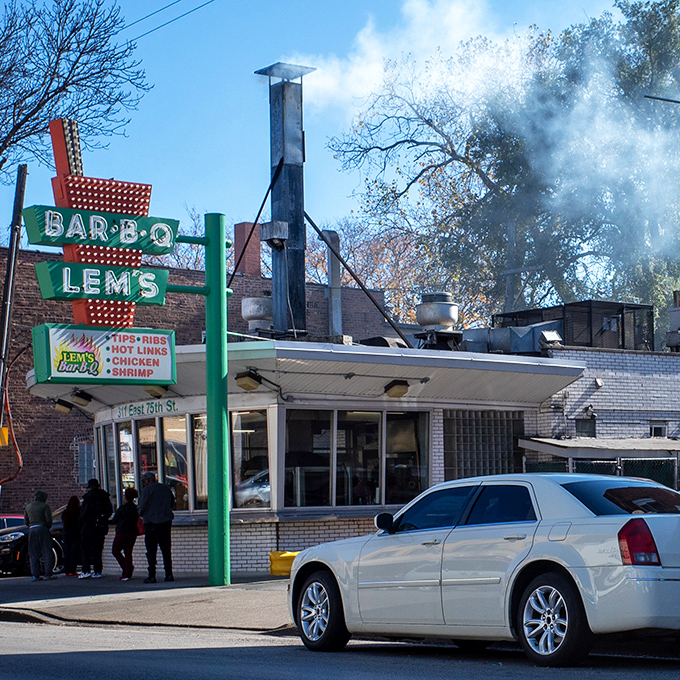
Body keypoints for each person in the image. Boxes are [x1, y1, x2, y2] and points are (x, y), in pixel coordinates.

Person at [138, 471, 175, 583]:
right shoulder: (165, 489)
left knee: (151, 551)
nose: (144, 483)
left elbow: (142, 507)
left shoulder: (146, 491)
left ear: (148, 480)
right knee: (166, 550)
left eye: (144, 481)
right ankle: (169, 574)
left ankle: (152, 575)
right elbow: (172, 503)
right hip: (165, 522)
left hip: (151, 523)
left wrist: (141, 513)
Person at [79, 478, 112, 579]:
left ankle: (86, 570)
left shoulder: (88, 498)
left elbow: (83, 514)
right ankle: (98, 571)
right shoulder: (104, 496)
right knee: (98, 549)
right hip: (101, 526)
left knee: (86, 549)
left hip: (89, 526)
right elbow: (109, 511)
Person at [23, 490, 55, 581]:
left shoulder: (28, 507)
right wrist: (47, 527)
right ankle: (48, 574)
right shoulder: (45, 506)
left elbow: (26, 521)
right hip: (43, 528)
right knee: (47, 551)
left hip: (32, 529)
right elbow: (48, 520)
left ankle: (35, 575)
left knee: (33, 553)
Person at [111, 487, 139, 581]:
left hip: (122, 531)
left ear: (126, 497)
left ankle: (127, 569)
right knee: (128, 552)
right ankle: (127, 572)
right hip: (133, 531)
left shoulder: (122, 508)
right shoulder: (135, 508)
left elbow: (115, 520)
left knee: (116, 551)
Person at [61, 495, 81, 576]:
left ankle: (67, 570)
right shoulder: (77, 512)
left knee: (67, 552)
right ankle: (72, 570)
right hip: (75, 533)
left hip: (66, 533)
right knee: (74, 552)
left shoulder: (66, 512)